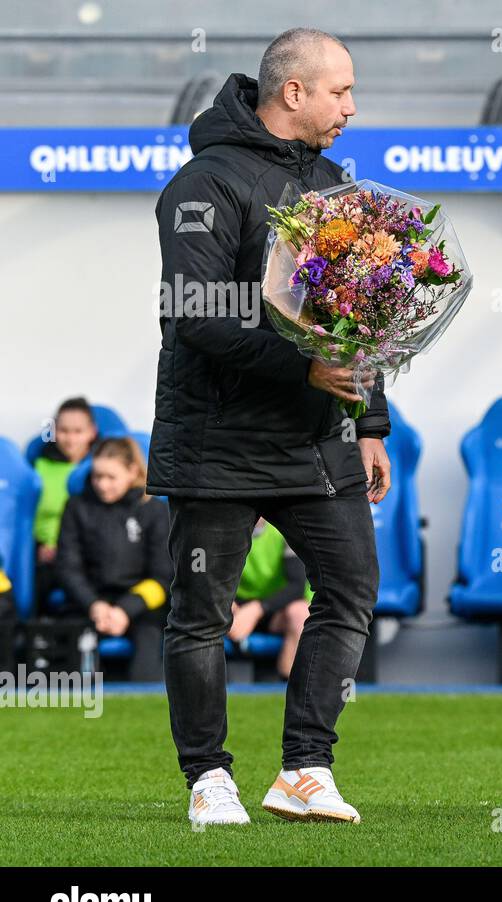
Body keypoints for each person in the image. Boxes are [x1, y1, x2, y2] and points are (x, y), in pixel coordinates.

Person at [150, 28, 391, 827]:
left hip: (318, 437)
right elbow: (193, 315)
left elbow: (364, 316)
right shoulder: (205, 182)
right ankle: (207, 776)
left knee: (352, 588)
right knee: (201, 614)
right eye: (341, 91)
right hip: (219, 439)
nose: (352, 107)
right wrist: (303, 369)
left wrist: (371, 421)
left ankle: (305, 769)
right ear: (294, 93)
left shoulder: (334, 184)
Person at [53, 438, 170, 681]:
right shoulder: (77, 507)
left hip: (141, 607)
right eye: (97, 476)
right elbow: (67, 567)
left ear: (132, 472)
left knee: (146, 667)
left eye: (111, 477)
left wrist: (126, 610)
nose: (102, 485)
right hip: (89, 604)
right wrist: (94, 605)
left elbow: (163, 577)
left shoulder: (154, 510)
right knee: (77, 677)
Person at [33, 397, 98, 612]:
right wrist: (39, 545)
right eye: (63, 430)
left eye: (78, 431)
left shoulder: (103, 470)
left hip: (92, 554)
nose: (70, 439)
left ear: (92, 432)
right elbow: (27, 517)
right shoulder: (39, 467)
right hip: (49, 557)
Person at [229, 518, 312, 681]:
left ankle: (288, 684)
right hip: (237, 607)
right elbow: (210, 578)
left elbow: (296, 586)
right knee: (207, 608)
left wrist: (257, 609)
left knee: (300, 613)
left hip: (277, 608)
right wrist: (225, 604)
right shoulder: (224, 531)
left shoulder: (285, 530)